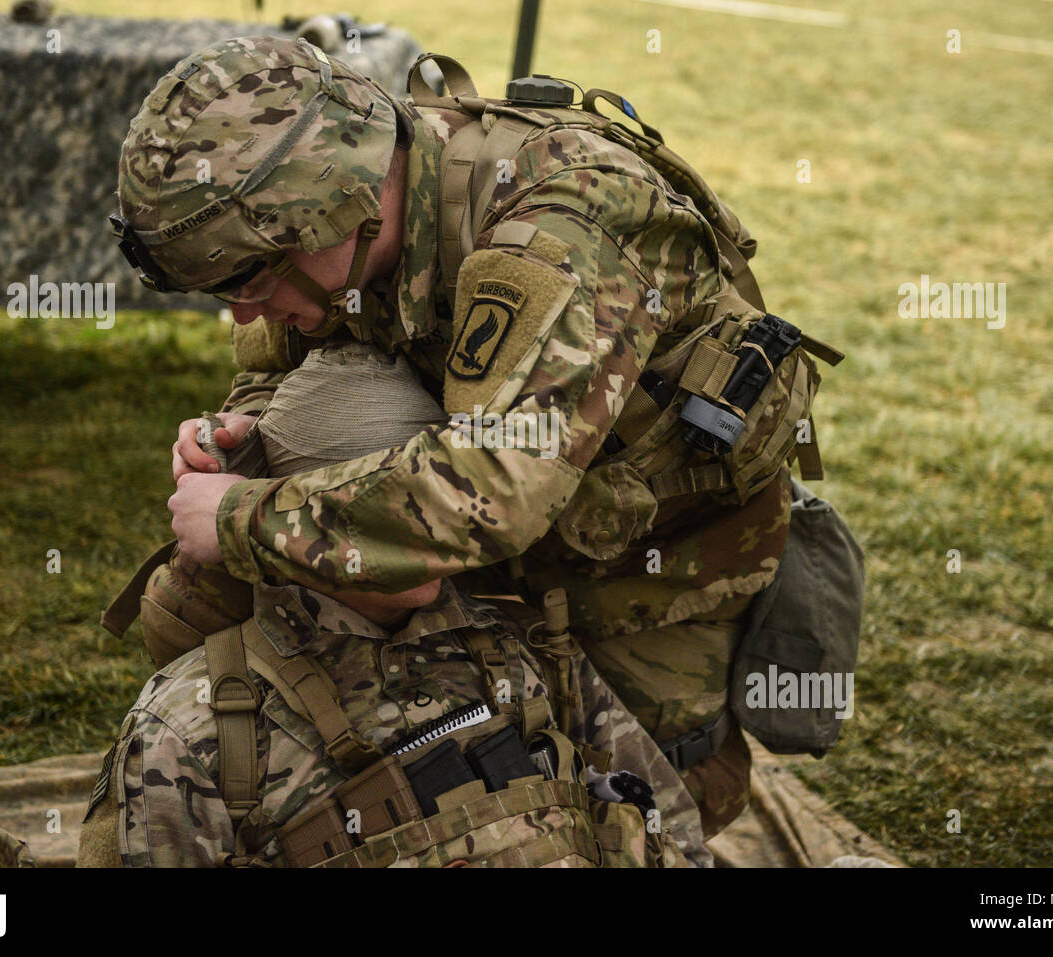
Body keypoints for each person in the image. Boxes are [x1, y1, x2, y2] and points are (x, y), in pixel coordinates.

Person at [109, 36, 840, 839]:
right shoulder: (360, 215)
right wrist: (247, 429)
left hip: (648, 563)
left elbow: (492, 490)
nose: (243, 311)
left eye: (249, 280)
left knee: (640, 805)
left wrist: (243, 519)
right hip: (485, 500)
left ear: (332, 210)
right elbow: (271, 365)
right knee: (189, 611)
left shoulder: (566, 223)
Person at [78, 341, 708, 867]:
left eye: (437, 505)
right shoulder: (192, 729)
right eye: (396, 516)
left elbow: (666, 831)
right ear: (302, 525)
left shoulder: (524, 647)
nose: (437, 534)